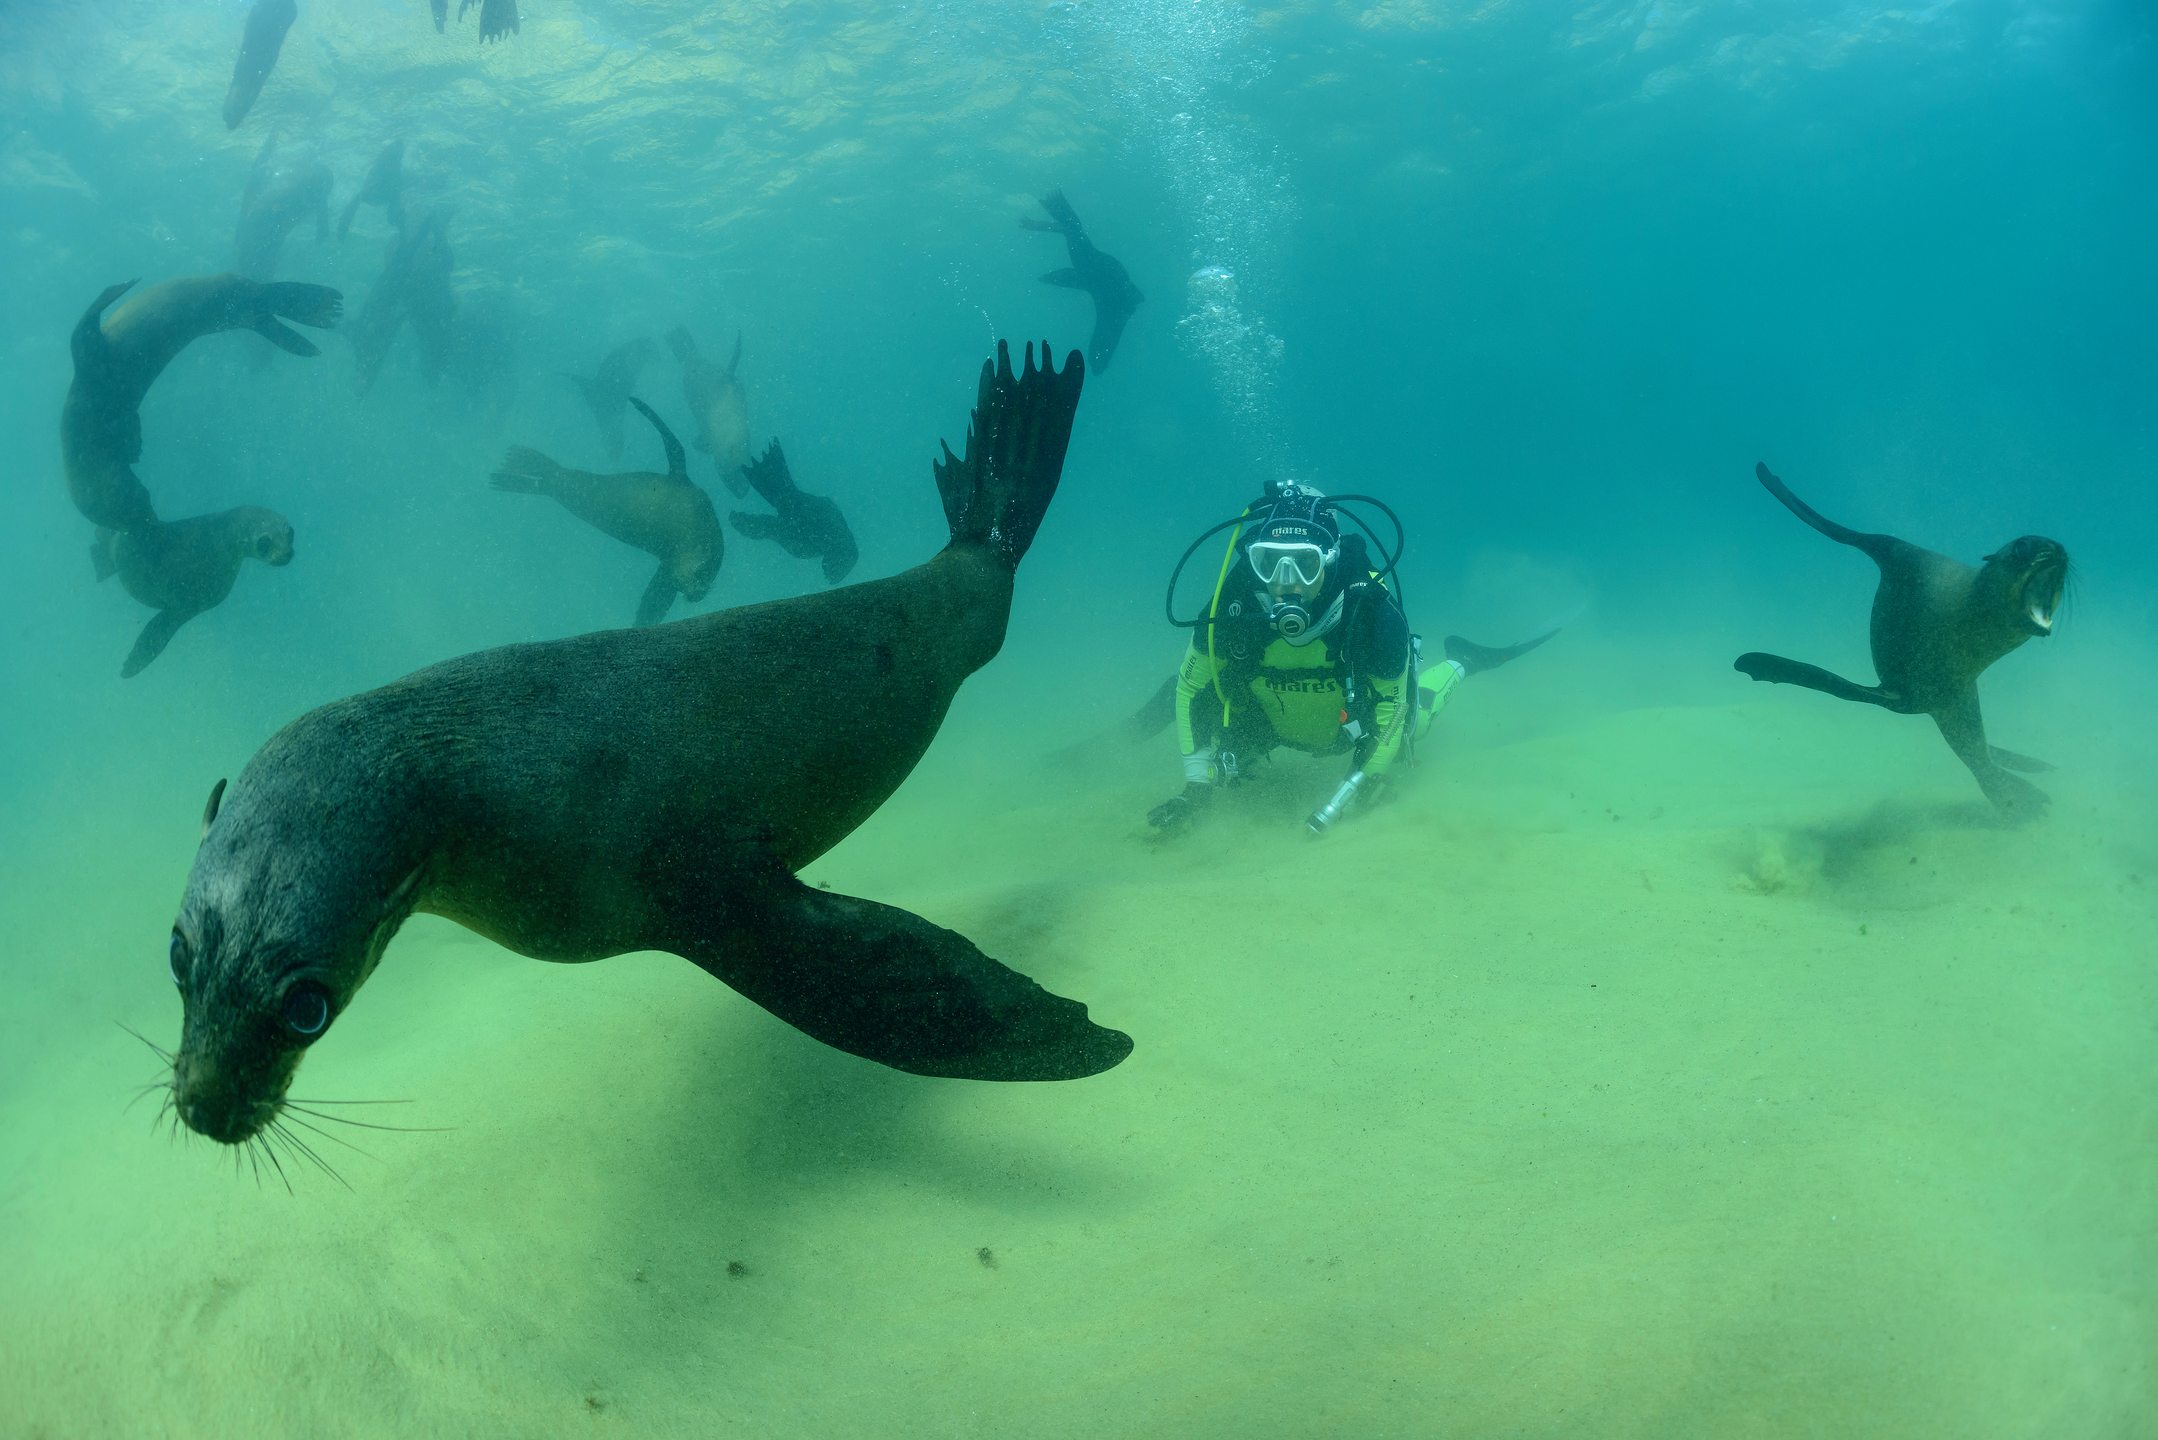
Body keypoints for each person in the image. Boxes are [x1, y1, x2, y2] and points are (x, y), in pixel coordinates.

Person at [1148, 480, 1462, 836]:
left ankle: (1461, 661)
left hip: (1346, 734)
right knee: (1194, 693)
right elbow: (1190, 688)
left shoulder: (1372, 617)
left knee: (1414, 721)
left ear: (1330, 560)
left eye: (1305, 563)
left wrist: (1357, 785)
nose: (1286, 582)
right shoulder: (1232, 608)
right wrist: (1196, 788)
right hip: (1263, 728)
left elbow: (1393, 711)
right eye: (1268, 562)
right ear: (1254, 560)